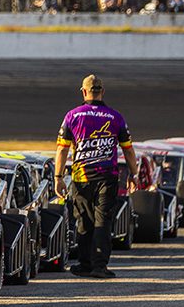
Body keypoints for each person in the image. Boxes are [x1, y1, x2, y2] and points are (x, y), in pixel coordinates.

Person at [54, 74, 139, 280]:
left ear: (83, 92)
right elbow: (128, 150)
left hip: (82, 177)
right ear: (102, 92)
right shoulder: (115, 117)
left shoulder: (73, 116)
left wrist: (58, 176)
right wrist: (134, 173)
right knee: (103, 221)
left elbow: (62, 150)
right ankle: (100, 266)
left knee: (84, 221)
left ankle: (84, 264)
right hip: (107, 177)